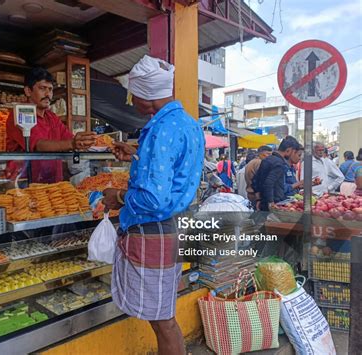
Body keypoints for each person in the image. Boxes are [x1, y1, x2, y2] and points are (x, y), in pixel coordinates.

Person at [101, 55, 204, 355]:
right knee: (162, 312)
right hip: (172, 227)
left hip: (152, 231)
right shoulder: (187, 124)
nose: (131, 101)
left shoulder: (160, 131)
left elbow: (154, 199)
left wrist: (116, 197)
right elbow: (174, 171)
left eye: (133, 95)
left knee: (162, 320)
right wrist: (137, 153)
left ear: (145, 98)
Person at [6, 67, 96, 183]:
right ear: (28, 91)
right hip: (25, 183)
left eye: (50, 89)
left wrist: (85, 141)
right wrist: (72, 143)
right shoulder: (19, 113)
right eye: (42, 88)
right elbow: (39, 145)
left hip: (53, 183)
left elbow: (69, 139)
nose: (48, 94)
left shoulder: (52, 117)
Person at [253, 137, 302, 211]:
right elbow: (269, 183)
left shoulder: (267, 159)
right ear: (288, 150)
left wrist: (258, 199)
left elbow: (255, 180)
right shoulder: (279, 163)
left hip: (263, 202)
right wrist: (271, 202)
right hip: (273, 203)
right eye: (294, 152)